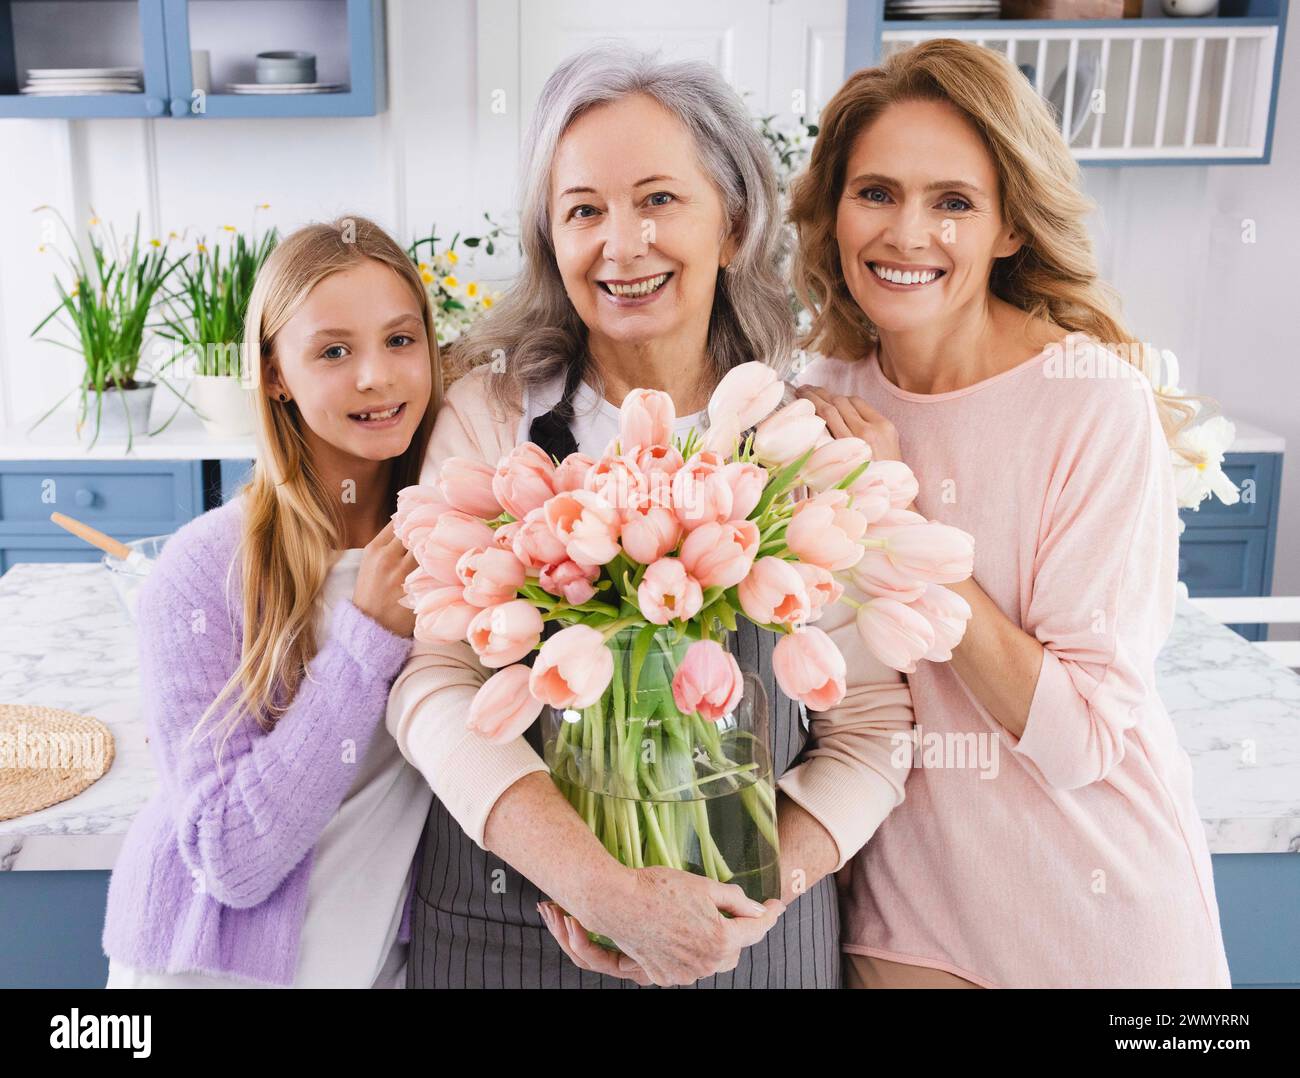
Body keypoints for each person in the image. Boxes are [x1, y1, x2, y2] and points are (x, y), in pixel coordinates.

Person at [386, 44, 915, 989]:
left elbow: (873, 726)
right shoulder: (494, 417)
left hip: (751, 947)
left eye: (659, 199)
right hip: (505, 937)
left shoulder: (799, 441)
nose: (621, 244)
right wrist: (602, 889)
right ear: (552, 240)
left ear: (735, 223)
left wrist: (753, 898)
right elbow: (438, 685)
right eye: (583, 210)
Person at [789, 38, 1232, 988]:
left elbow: (1078, 740)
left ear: (1010, 229)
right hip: (904, 917)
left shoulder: (1091, 402)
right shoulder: (815, 396)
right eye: (876, 192)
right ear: (834, 213)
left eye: (953, 202)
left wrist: (894, 515)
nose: (906, 234)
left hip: (1100, 913)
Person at [102, 215, 440, 987]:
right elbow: (229, 856)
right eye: (333, 351)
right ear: (276, 373)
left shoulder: (450, 543)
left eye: (400, 340)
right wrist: (367, 638)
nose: (377, 377)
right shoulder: (202, 571)